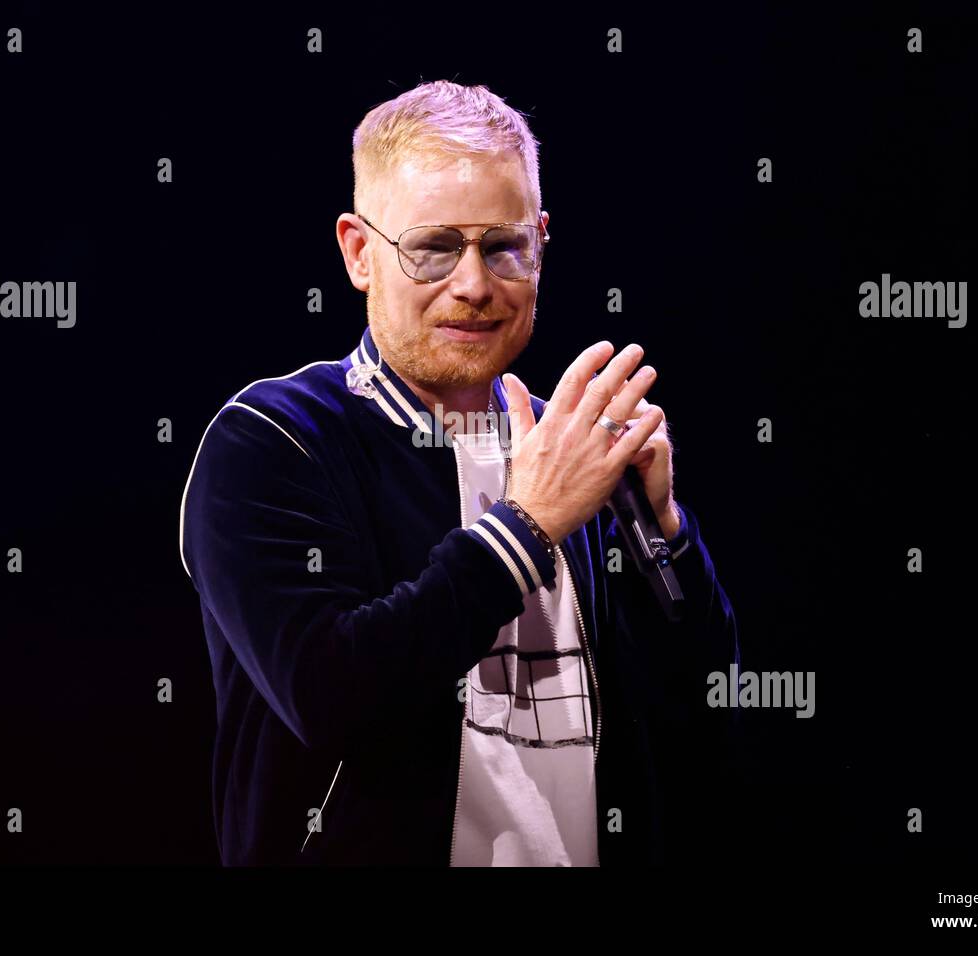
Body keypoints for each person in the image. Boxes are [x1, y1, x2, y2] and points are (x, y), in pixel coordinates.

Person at [179, 80, 740, 866]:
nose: (474, 285)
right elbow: (332, 694)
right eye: (434, 248)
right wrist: (526, 526)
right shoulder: (272, 440)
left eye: (504, 246)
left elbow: (704, 712)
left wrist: (666, 534)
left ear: (541, 243)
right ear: (359, 252)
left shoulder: (568, 441)